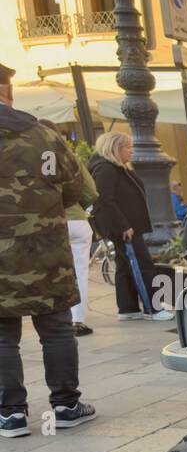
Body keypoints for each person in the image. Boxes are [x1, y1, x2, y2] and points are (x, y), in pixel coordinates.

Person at [0, 62, 96, 438]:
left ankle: (10, 413)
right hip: (46, 251)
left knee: (2, 334)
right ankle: (66, 405)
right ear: (8, 91)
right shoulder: (45, 136)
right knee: (56, 329)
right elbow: (75, 190)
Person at [88, 131, 173, 322]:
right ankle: (153, 308)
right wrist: (124, 225)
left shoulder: (116, 168)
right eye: (127, 147)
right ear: (115, 149)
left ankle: (127, 308)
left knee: (125, 265)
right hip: (125, 227)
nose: (131, 151)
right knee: (142, 264)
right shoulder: (107, 169)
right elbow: (105, 199)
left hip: (127, 225)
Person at [39, 120, 99, 337]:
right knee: (80, 271)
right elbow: (91, 190)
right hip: (77, 221)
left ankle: (54, 318)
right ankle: (78, 320)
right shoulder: (68, 155)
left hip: (48, 222)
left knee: (50, 271)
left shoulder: (30, 156)